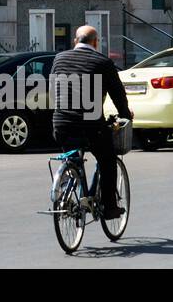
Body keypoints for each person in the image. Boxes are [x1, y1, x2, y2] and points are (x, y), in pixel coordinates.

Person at [50, 25, 133, 220]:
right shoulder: (103, 62)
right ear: (96, 43)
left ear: (75, 41)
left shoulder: (59, 58)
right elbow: (118, 95)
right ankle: (110, 207)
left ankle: (67, 192)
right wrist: (126, 115)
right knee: (107, 158)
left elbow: (54, 90)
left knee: (71, 157)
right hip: (91, 126)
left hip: (61, 123)